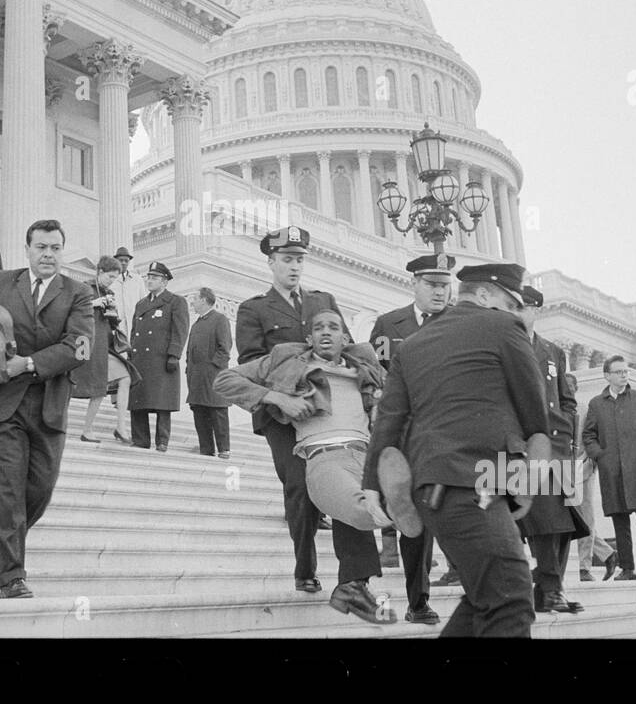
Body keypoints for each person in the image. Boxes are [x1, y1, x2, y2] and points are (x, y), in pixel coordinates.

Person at [363, 262, 551, 638]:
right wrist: (535, 477)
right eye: (511, 303)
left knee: (485, 599)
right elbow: (535, 416)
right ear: (484, 296)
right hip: (475, 483)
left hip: (432, 486)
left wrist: (372, 484)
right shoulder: (504, 327)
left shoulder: (413, 344)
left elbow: (390, 418)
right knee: (512, 598)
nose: (518, 313)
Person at [0, 219, 95, 599]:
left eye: (55, 248)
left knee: (38, 493)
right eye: (41, 247)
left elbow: (79, 346)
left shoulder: (78, 293)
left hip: (49, 405)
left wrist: (27, 364)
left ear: (62, 251)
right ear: (27, 249)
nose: (48, 254)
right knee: (7, 491)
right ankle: (10, 576)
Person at [216, 309, 396, 624]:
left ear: (345, 338)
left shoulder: (366, 369)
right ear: (309, 338)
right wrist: (277, 398)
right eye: (318, 328)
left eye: (334, 327)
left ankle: (352, 586)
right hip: (324, 456)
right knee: (360, 506)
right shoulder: (287, 363)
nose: (326, 332)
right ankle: (343, 577)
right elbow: (224, 380)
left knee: (391, 499)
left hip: (365, 455)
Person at [235, 226, 350, 594]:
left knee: (335, 482)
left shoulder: (324, 301)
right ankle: (305, 567)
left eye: (300, 259)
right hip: (281, 414)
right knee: (298, 485)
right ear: (271, 262)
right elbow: (251, 360)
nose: (294, 266)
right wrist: (288, 386)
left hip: (324, 410)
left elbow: (343, 346)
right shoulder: (253, 308)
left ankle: (351, 573)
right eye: (287, 259)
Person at [367, 252, 456, 623]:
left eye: (445, 285)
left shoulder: (458, 324)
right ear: (414, 284)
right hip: (405, 440)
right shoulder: (390, 325)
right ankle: (418, 602)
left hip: (449, 437)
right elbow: (372, 375)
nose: (439, 292)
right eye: (432, 285)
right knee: (414, 523)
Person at [514, 285, 589, 614]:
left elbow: (567, 399)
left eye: (525, 308)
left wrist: (571, 442)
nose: (519, 313)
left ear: (535, 311)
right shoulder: (504, 346)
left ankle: (547, 591)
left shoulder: (553, 351)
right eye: (514, 307)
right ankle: (551, 589)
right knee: (546, 518)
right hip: (524, 446)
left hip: (559, 446)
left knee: (564, 523)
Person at [581, 355, 636, 580]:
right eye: (618, 372)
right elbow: (589, 435)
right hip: (612, 471)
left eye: (625, 371)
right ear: (607, 375)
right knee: (620, 520)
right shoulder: (596, 404)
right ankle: (627, 569)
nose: (623, 375)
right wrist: (601, 457)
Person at [70, 255, 140, 444]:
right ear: (100, 272)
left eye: (115, 278)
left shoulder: (109, 292)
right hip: (89, 344)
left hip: (105, 344)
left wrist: (112, 312)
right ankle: (87, 430)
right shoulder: (85, 287)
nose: (112, 281)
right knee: (97, 388)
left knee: (124, 377)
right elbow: (71, 310)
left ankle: (120, 427)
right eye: (110, 277)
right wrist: (93, 304)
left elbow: (110, 321)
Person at [128, 261, 190, 452]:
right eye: (148, 277)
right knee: (138, 401)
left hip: (162, 360)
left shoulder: (175, 302)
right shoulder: (141, 304)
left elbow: (180, 330)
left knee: (163, 402)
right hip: (140, 360)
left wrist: (174, 354)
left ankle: (162, 441)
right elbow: (134, 331)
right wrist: (130, 355)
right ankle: (140, 439)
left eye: (154, 278)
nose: (149, 281)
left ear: (164, 281)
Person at [568, 372, 619, 582]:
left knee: (585, 516)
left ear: (576, 388)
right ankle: (607, 553)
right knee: (572, 518)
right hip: (560, 470)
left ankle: (584, 567)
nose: (567, 389)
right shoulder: (553, 409)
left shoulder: (586, 409)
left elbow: (594, 438)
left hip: (583, 468)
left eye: (570, 386)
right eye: (564, 386)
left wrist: (585, 463)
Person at [186, 288, 233, 458]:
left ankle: (223, 449)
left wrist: (212, 369)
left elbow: (225, 348)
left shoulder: (220, 320)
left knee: (217, 411)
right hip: (196, 377)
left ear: (204, 300)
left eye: (195, 299)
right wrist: (189, 371)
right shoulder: (196, 324)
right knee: (199, 412)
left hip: (213, 377)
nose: (193, 302)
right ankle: (205, 448)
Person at [110, 246, 146, 341]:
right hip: (117, 326)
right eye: (121, 260)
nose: (123, 263)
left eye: (126, 260)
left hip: (135, 325)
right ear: (115, 261)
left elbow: (144, 302)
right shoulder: (110, 280)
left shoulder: (137, 279)